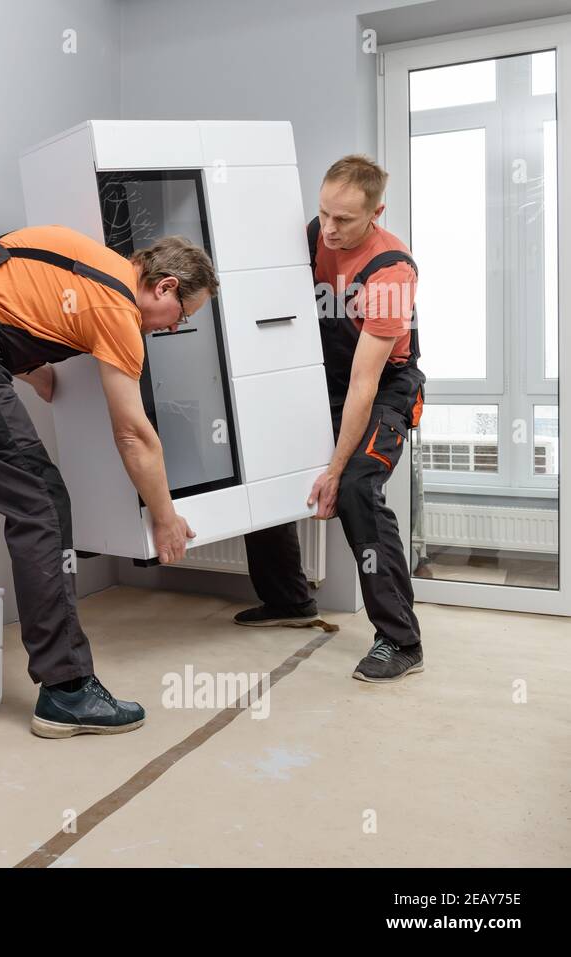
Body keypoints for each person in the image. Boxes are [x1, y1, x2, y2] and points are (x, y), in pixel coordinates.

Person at [0, 224, 218, 736]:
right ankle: (68, 688)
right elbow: (134, 436)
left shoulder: (86, 260)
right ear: (164, 286)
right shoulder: (118, 308)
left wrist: (30, 370)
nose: (172, 328)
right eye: (182, 316)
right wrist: (165, 518)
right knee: (42, 503)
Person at [235, 155, 426, 683]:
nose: (330, 229)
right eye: (325, 214)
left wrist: (336, 470)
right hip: (324, 380)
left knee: (358, 489)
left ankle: (400, 640)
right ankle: (288, 600)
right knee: (265, 458)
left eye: (345, 219)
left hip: (383, 388)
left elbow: (366, 382)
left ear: (376, 212)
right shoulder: (319, 232)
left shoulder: (390, 272)